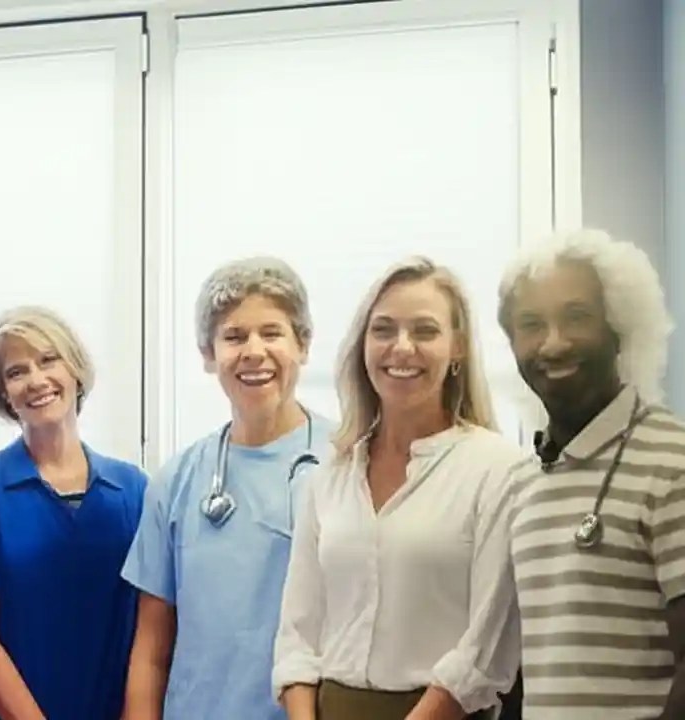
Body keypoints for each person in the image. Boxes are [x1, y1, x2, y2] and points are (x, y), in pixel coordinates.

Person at [273, 257, 522, 720]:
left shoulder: (499, 469)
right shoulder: (329, 476)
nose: (401, 348)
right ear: (362, 345)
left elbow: (485, 649)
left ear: (459, 347)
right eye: (383, 330)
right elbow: (297, 638)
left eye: (425, 331)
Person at [121, 256, 332, 720]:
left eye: (272, 333)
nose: (253, 351)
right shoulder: (176, 481)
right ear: (208, 353)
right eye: (234, 336)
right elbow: (151, 650)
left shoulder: (350, 464)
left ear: (304, 344)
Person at [498, 229, 685, 719]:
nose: (553, 344)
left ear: (620, 326)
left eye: (576, 317)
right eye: (532, 324)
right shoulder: (523, 482)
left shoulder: (673, 463)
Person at [0, 306, 147, 720]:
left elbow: (150, 638)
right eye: (16, 372)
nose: (36, 380)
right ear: (4, 392)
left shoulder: (133, 490)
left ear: (75, 369)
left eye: (48, 360)